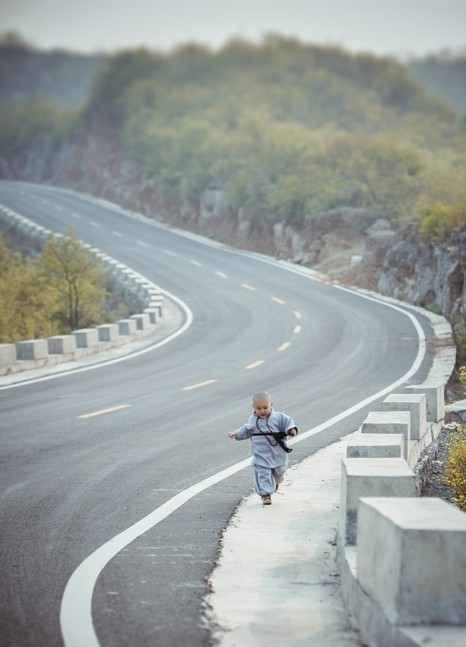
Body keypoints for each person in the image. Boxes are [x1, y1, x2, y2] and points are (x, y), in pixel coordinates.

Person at [228, 391, 298, 505]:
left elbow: (288, 423)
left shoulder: (279, 417)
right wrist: (235, 434)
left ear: (271, 405)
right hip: (261, 455)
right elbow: (245, 430)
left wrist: (291, 430)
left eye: (265, 407)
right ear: (253, 407)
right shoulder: (253, 421)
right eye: (259, 408)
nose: (262, 411)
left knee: (279, 473)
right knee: (263, 474)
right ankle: (266, 495)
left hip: (278, 454)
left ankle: (275, 483)